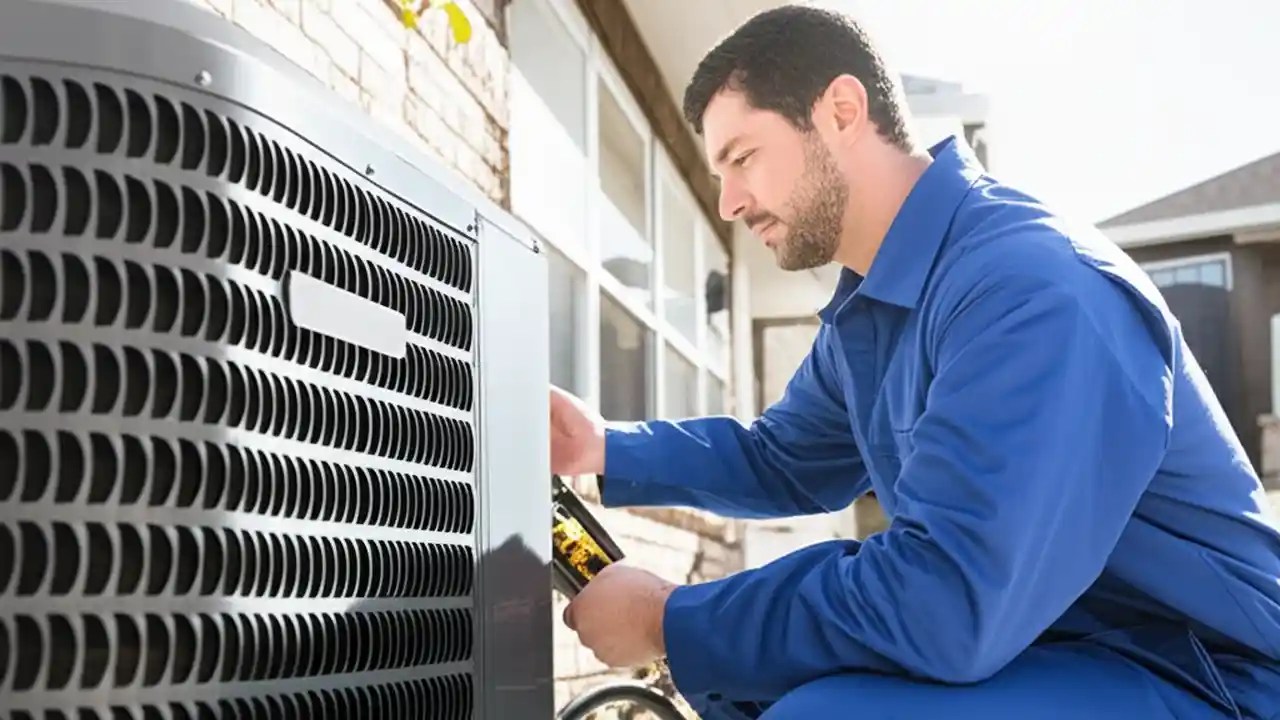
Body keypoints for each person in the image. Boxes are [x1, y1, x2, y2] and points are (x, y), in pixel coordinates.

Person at [551, 6, 1280, 719]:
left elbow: (948, 598)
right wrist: (603, 446)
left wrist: (671, 618)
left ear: (841, 110)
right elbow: (785, 460)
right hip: (1054, 649)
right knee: (777, 689)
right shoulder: (880, 305)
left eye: (742, 158)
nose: (730, 203)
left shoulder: (1029, 288)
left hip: (1202, 672)